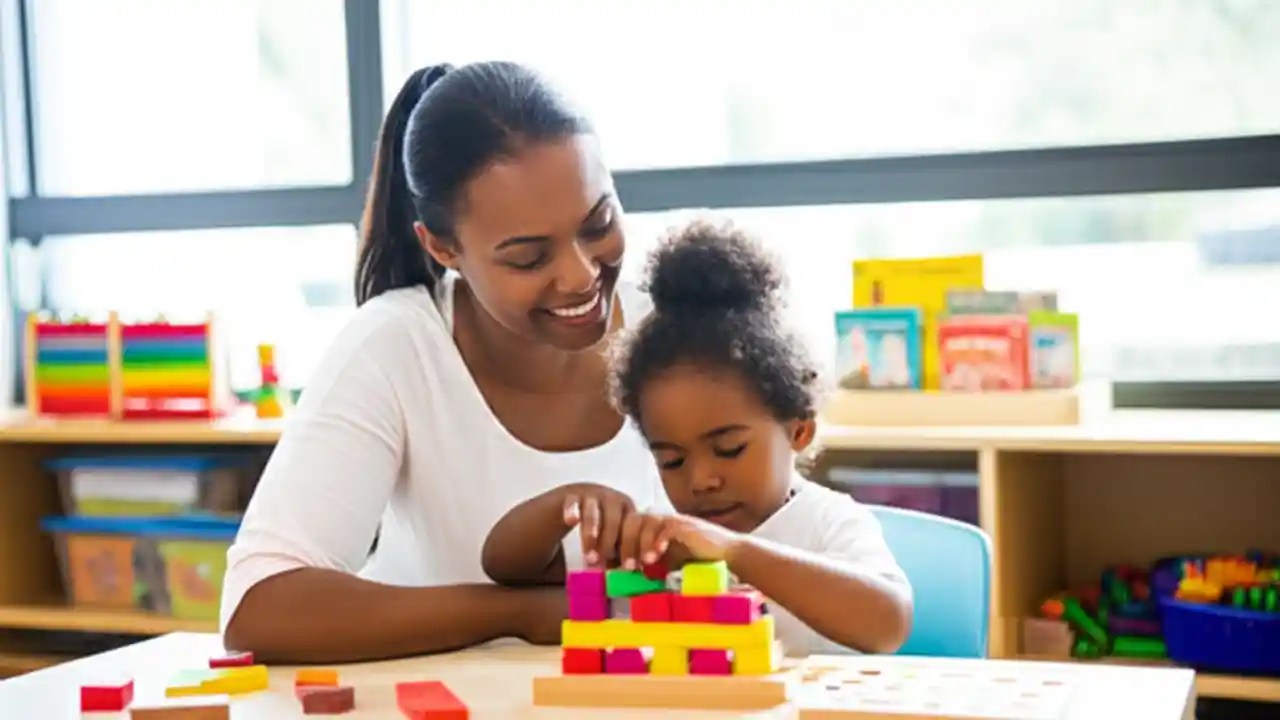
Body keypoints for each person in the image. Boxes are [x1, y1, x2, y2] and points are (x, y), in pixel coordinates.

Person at [219, 61, 670, 662]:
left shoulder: (672, 333)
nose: (581, 275)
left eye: (599, 224)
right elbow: (258, 609)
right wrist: (521, 613)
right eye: (529, 258)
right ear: (443, 247)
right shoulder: (394, 346)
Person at [483, 219, 914, 656]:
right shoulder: (660, 538)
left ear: (798, 430)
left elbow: (888, 623)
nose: (701, 480)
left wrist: (736, 553)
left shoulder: (828, 522)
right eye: (671, 460)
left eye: (729, 449)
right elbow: (505, 566)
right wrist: (567, 504)